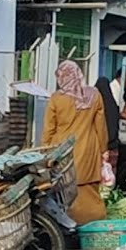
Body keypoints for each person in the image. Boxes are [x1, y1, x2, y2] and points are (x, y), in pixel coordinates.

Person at [43, 60, 107, 225]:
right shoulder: (94, 95)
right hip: (88, 149)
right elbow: (100, 126)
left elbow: (49, 130)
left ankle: (70, 224)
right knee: (90, 190)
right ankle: (95, 225)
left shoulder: (57, 99)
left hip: (63, 151)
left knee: (66, 189)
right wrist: (103, 149)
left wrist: (44, 152)